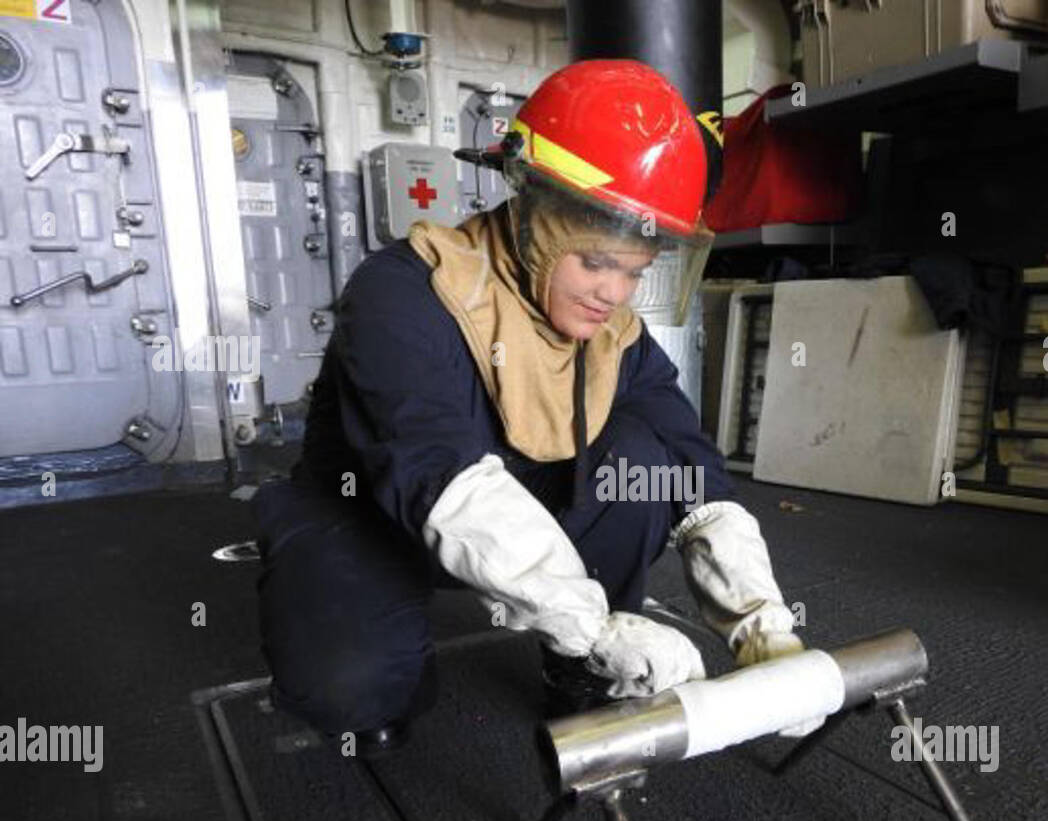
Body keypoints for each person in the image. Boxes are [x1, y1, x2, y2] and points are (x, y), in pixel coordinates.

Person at [251, 59, 804, 756]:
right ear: (538, 215)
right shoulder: (403, 294)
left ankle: (576, 670)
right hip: (374, 509)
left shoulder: (613, 335)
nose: (613, 293)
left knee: (643, 458)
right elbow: (438, 476)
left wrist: (762, 624)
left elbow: (695, 474)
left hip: (507, 498)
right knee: (352, 683)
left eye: (633, 272)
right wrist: (592, 622)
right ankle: (400, 654)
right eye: (596, 262)